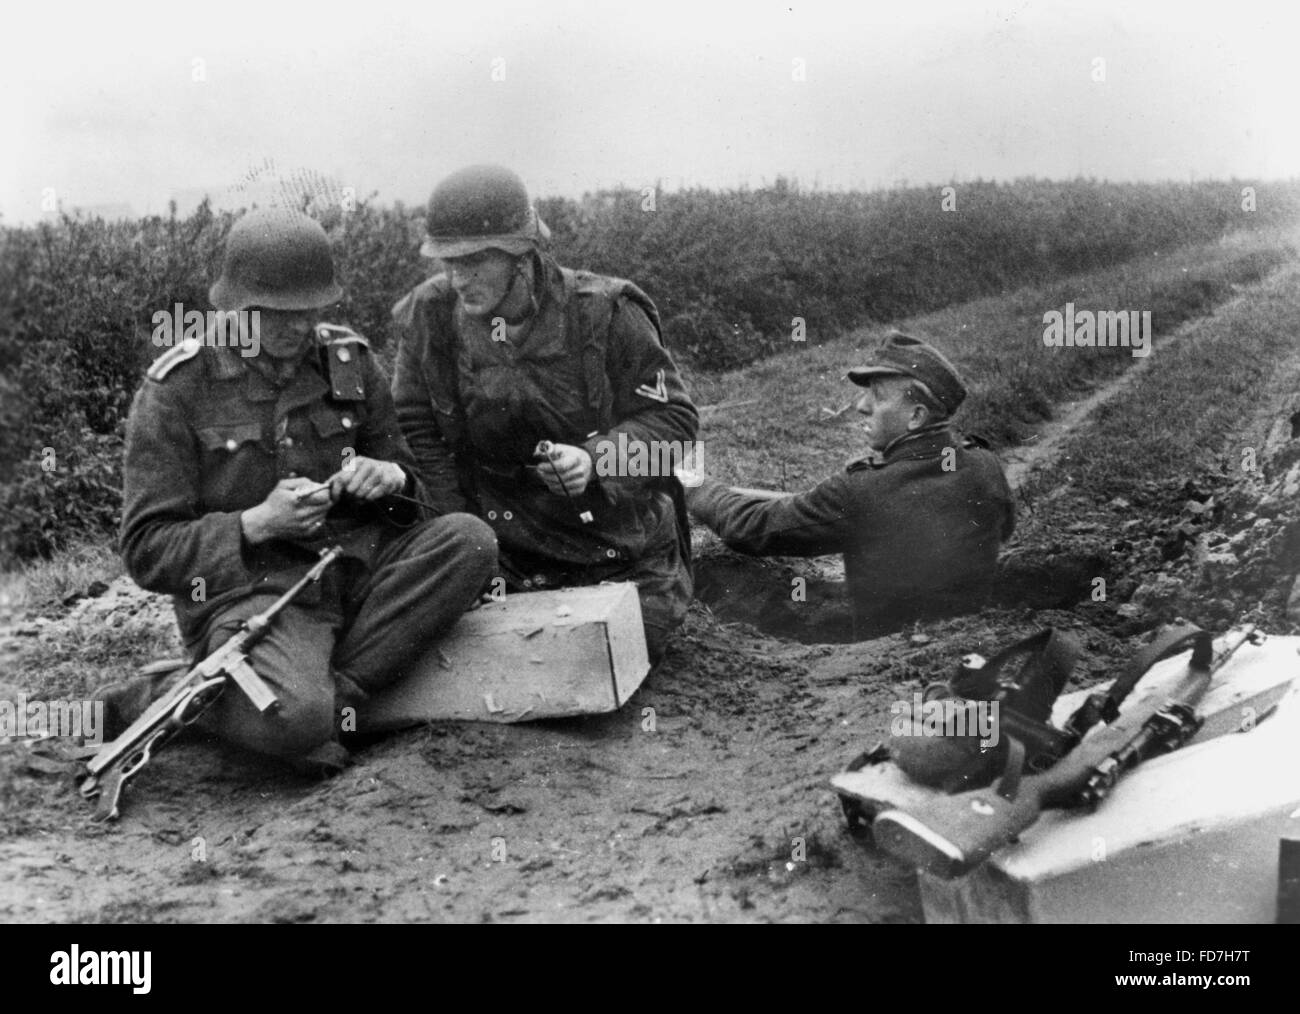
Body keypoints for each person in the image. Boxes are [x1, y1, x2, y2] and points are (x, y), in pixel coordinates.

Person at [111, 208, 497, 769]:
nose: (298, 326)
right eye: (276, 314)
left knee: (470, 541)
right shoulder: (179, 388)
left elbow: (420, 500)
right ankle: (182, 697)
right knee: (293, 718)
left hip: (353, 576)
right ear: (237, 305)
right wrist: (254, 525)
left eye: (309, 309)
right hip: (253, 597)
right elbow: (146, 549)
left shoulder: (350, 362)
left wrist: (391, 480)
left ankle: (319, 705)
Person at [391, 165, 697, 663]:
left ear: (520, 254)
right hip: (500, 538)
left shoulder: (605, 311)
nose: (457, 278)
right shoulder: (433, 312)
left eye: (473, 262)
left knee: (606, 652)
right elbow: (418, 425)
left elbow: (676, 427)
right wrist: (461, 536)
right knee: (472, 657)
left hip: (611, 539)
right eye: (447, 262)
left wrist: (594, 461)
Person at [682, 332, 1015, 638]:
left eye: (877, 396)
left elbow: (750, 528)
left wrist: (694, 486)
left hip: (881, 665)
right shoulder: (985, 465)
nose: (861, 405)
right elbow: (1001, 528)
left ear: (916, 416)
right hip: (964, 641)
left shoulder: (862, 492)